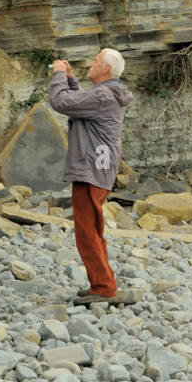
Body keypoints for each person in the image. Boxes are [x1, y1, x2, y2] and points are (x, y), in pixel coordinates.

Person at [48, 48, 136, 304]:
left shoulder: (103, 96)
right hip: (96, 169)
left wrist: (59, 76)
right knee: (92, 230)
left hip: (92, 170)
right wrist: (71, 80)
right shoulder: (104, 95)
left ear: (106, 68)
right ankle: (103, 283)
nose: (91, 62)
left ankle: (104, 288)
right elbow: (78, 105)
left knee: (87, 232)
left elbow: (62, 103)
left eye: (96, 60)